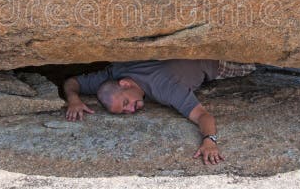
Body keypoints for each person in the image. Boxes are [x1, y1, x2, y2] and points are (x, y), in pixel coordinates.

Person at [62, 59, 256, 165]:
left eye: (126, 102)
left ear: (125, 83)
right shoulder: (115, 74)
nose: (131, 109)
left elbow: (203, 116)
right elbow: (72, 82)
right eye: (124, 110)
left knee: (253, 63)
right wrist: (74, 99)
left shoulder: (165, 88)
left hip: (216, 60)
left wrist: (209, 141)